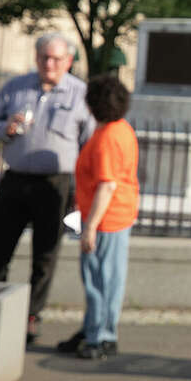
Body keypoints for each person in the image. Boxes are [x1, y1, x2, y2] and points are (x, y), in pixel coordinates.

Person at [0, 33, 95, 344]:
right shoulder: (15, 88)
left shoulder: (80, 94)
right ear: (36, 58)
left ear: (69, 62)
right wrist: (4, 129)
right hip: (15, 178)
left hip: (56, 184)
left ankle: (32, 315)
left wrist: (81, 193)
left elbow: (88, 145)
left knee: (46, 253)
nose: (50, 64)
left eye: (57, 59)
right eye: (45, 57)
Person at [55, 76, 139, 360]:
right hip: (113, 216)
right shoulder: (120, 130)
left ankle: (100, 337)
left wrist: (89, 227)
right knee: (106, 279)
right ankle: (94, 329)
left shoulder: (106, 139)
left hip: (105, 219)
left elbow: (107, 184)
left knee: (99, 281)